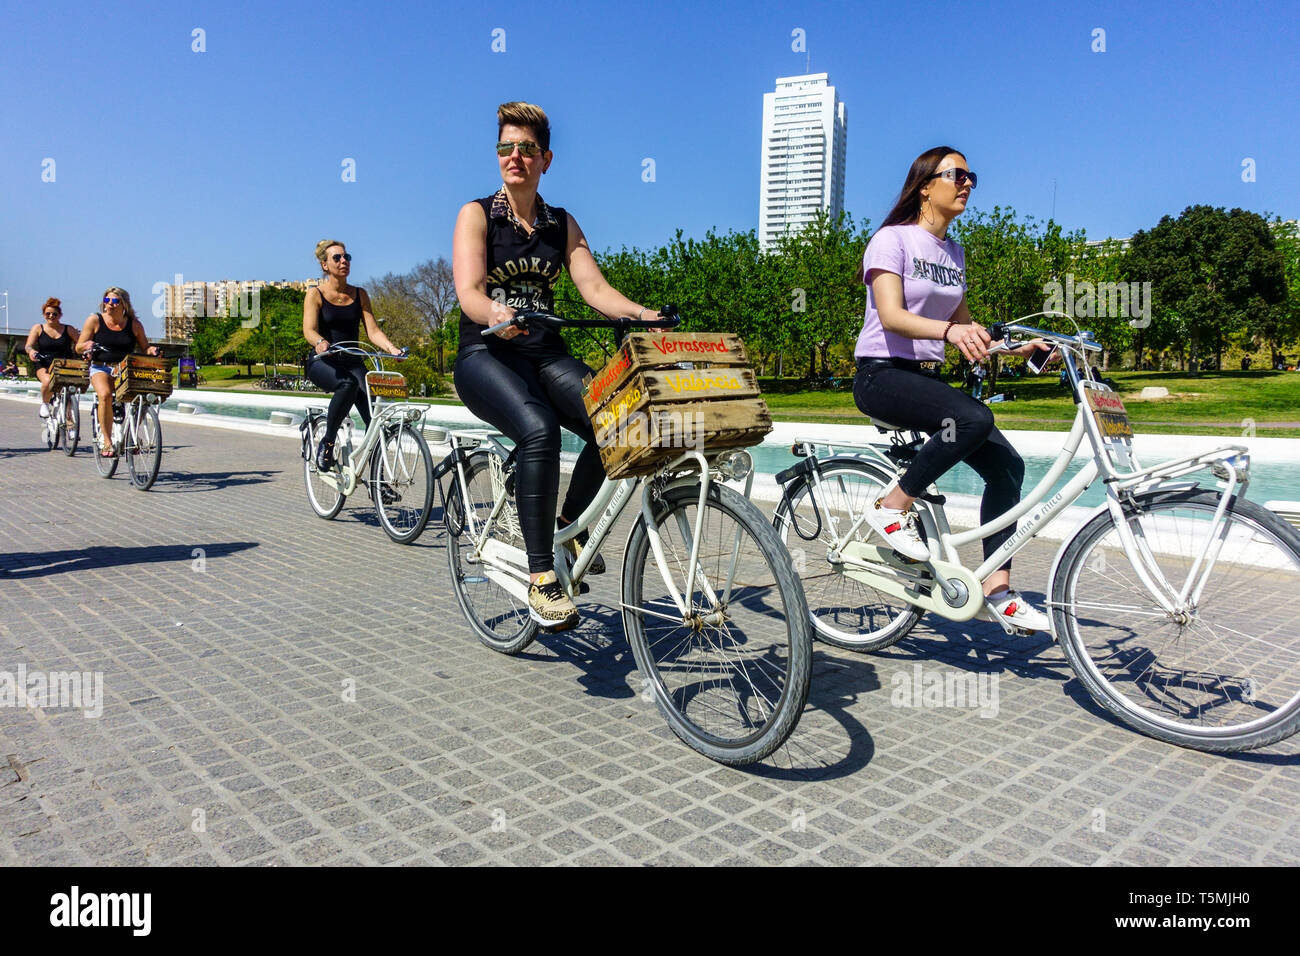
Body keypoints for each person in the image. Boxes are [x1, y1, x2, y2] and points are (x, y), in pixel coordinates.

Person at [451, 101, 666, 631]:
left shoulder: (561, 223)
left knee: (614, 420)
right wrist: (497, 314)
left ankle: (567, 528)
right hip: (487, 354)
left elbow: (594, 289)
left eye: (526, 149)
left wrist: (643, 314)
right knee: (540, 429)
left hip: (545, 354)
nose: (515, 157)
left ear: (546, 159)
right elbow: (469, 293)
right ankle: (542, 575)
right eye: (506, 147)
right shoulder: (477, 215)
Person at [852, 146, 1053, 633]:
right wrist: (947, 333)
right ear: (925, 185)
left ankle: (998, 591)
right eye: (955, 175)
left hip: (924, 378)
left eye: (971, 177)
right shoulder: (891, 240)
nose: (966, 183)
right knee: (975, 418)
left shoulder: (955, 253)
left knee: (1009, 466)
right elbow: (894, 315)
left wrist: (1015, 348)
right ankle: (891, 506)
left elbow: (964, 324)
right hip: (881, 375)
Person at [302, 240, 403, 471]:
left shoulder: (360, 294)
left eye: (346, 256)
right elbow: (309, 329)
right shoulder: (315, 294)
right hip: (324, 360)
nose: (343, 261)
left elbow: (373, 331)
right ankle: (328, 442)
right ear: (325, 265)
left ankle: (377, 481)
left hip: (353, 360)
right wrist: (320, 342)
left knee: (376, 417)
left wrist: (392, 349)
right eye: (336, 258)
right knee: (347, 384)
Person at [76, 288, 160, 458]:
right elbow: (78, 346)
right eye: (106, 300)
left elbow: (145, 347)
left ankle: (131, 435)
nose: (109, 304)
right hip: (102, 367)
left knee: (140, 400)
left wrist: (152, 350)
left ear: (124, 304)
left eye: (114, 301)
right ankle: (106, 441)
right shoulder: (95, 320)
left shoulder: (134, 325)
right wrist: (87, 345)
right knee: (105, 395)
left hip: (124, 369)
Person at [25, 298, 81, 418]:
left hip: (64, 364)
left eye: (54, 314)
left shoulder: (69, 329)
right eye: (48, 314)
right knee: (48, 381)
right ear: (44, 315)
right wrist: (31, 351)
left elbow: (80, 344)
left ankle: (71, 424)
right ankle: (45, 404)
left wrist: (84, 352)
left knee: (70, 393)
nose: (51, 316)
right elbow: (28, 345)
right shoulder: (38, 328)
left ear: (60, 315)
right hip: (44, 363)